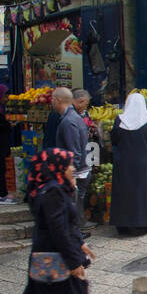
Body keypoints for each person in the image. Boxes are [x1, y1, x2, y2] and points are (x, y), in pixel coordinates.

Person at [18, 148, 93, 294]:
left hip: (58, 252)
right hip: (56, 256)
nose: (72, 168)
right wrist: (74, 262)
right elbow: (58, 230)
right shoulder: (53, 192)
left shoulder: (56, 189)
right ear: (56, 167)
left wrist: (80, 243)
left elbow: (66, 224)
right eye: (68, 164)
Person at [109, 92, 147, 235]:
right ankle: (141, 224)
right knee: (142, 193)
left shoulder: (119, 121)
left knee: (124, 193)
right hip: (144, 164)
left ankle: (123, 224)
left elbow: (114, 139)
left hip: (124, 163)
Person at [51, 87, 90, 227]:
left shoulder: (69, 121)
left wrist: (71, 174)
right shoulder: (72, 118)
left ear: (58, 100)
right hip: (78, 171)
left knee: (73, 204)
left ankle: (76, 234)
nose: (51, 102)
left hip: (76, 172)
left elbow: (74, 152)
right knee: (76, 204)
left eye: (52, 99)